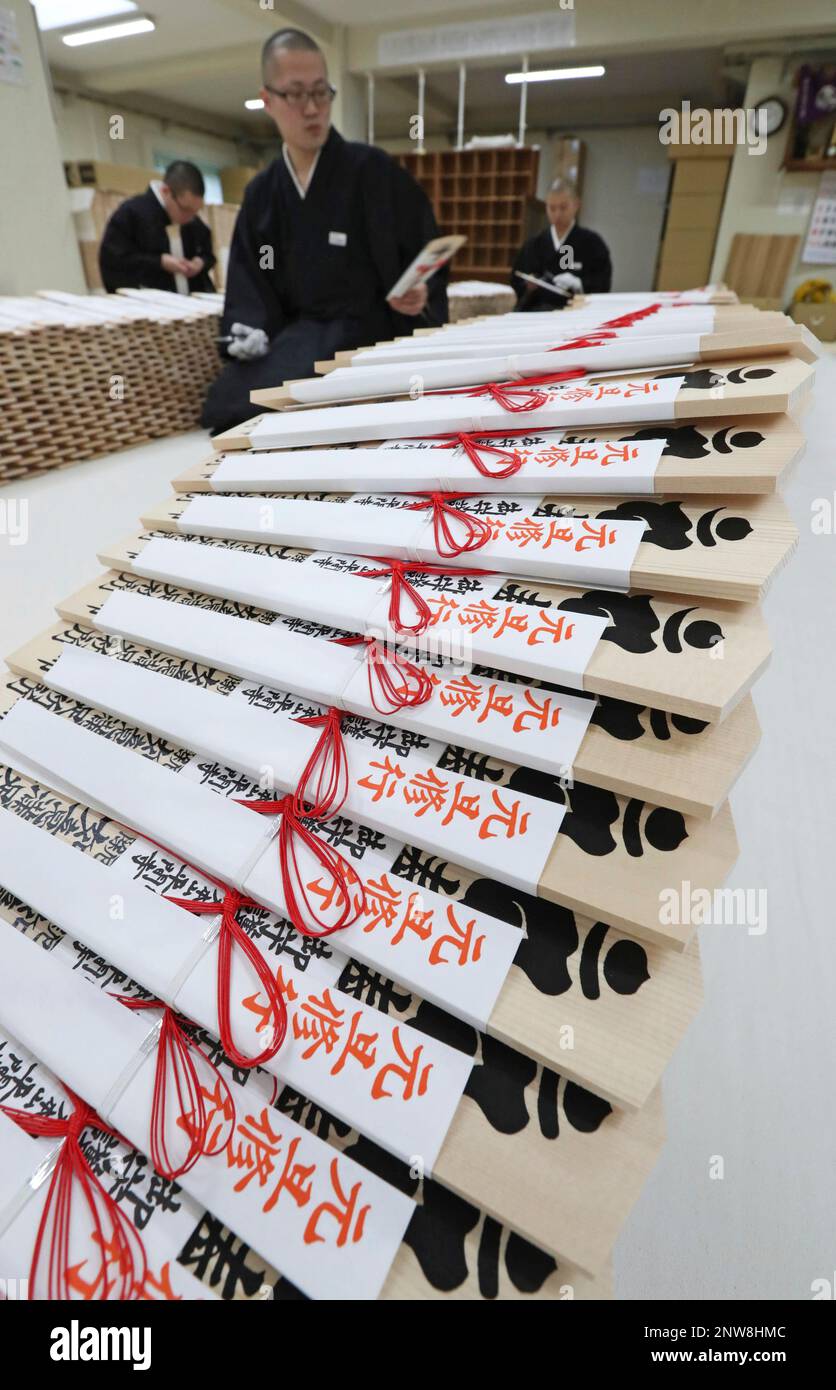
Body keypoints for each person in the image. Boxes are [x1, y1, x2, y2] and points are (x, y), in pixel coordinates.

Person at [201, 27, 447, 435]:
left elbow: (420, 253)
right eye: (296, 94)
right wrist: (250, 330)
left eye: (321, 92)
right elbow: (250, 285)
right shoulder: (262, 193)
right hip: (303, 335)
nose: (312, 108)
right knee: (223, 403)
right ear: (267, 100)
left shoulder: (373, 170)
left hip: (374, 332)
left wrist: (419, 293)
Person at [99, 161, 216, 295]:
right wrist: (159, 261)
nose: (190, 218)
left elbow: (208, 254)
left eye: (195, 211)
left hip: (191, 303)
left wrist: (200, 262)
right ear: (166, 191)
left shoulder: (193, 221)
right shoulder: (132, 213)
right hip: (150, 303)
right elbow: (113, 260)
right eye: (185, 210)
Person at [511, 176, 612, 311]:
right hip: (537, 315)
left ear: (576, 205)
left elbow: (603, 282)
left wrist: (579, 284)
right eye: (552, 208)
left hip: (576, 314)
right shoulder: (534, 244)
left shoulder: (592, 244)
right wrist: (527, 285)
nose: (557, 214)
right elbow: (516, 280)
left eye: (563, 208)